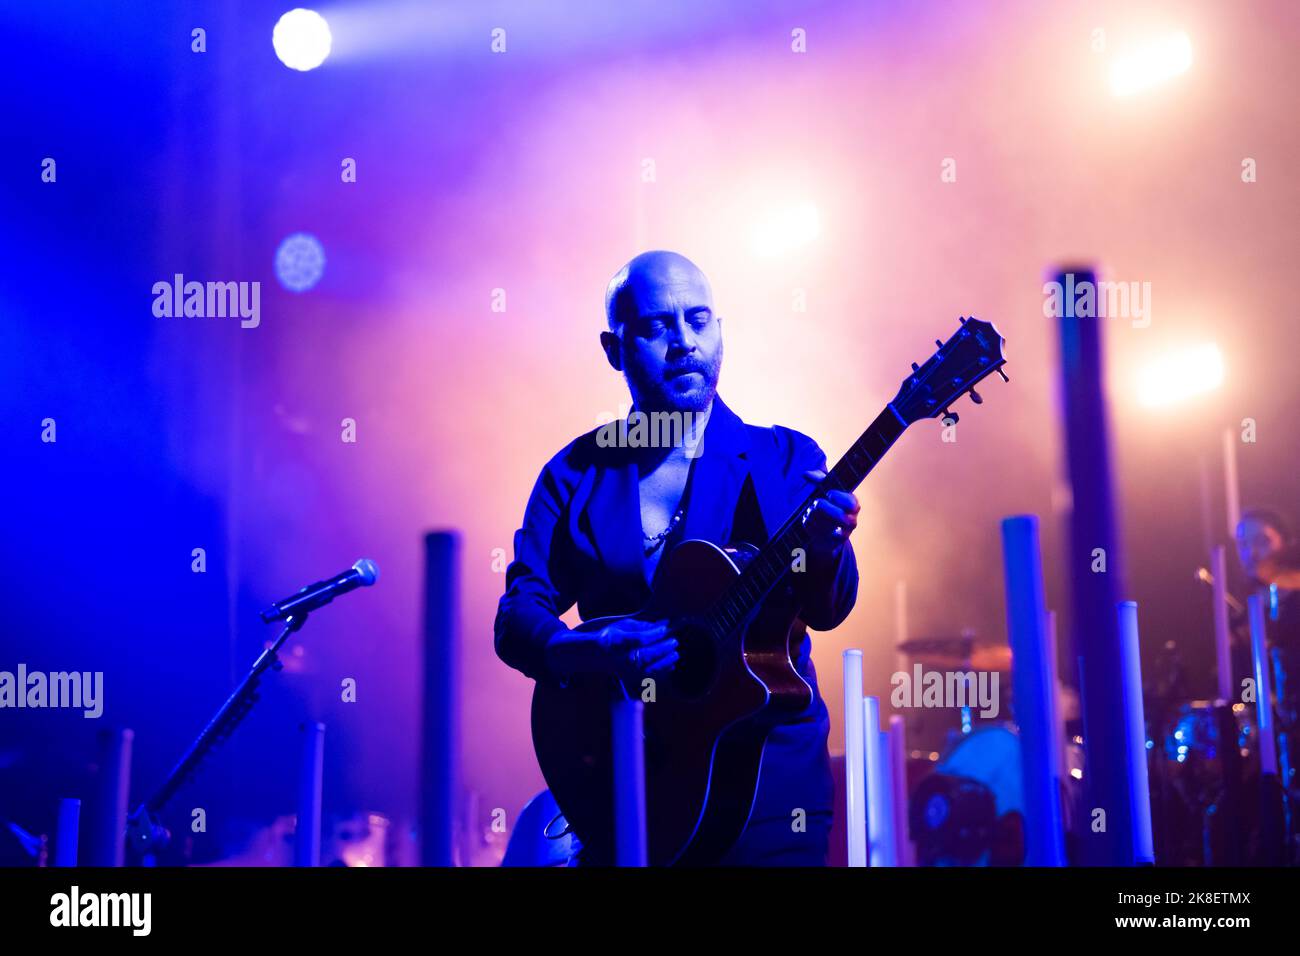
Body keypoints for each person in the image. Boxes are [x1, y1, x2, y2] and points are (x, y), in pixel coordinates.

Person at [494, 250, 860, 865]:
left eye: (699, 319)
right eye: (657, 325)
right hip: (629, 790)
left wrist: (825, 549)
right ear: (614, 350)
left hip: (767, 798)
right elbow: (516, 617)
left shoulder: (784, 460)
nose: (685, 342)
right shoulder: (574, 473)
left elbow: (828, 610)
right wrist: (588, 649)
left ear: (720, 330)